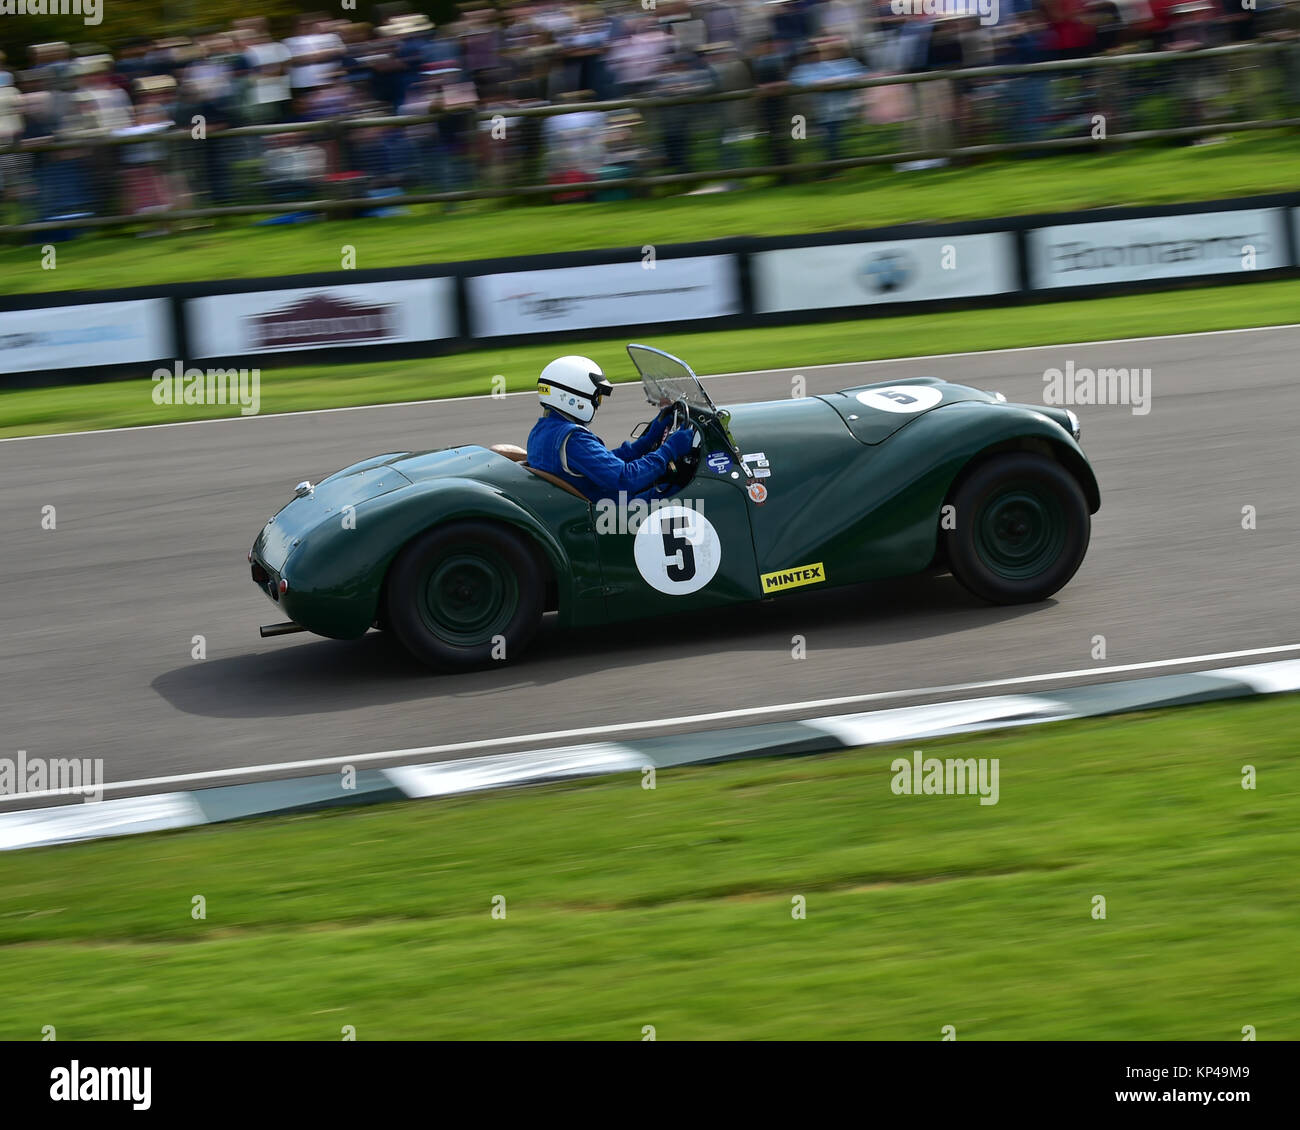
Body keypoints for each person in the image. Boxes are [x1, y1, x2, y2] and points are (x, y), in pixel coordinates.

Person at [525, 355, 695, 503]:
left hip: (593, 502)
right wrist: (669, 450)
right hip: (611, 513)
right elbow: (625, 479)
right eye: (597, 396)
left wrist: (646, 442)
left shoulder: (543, 430)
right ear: (573, 397)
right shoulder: (573, 439)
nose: (598, 403)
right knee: (682, 489)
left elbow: (603, 464)